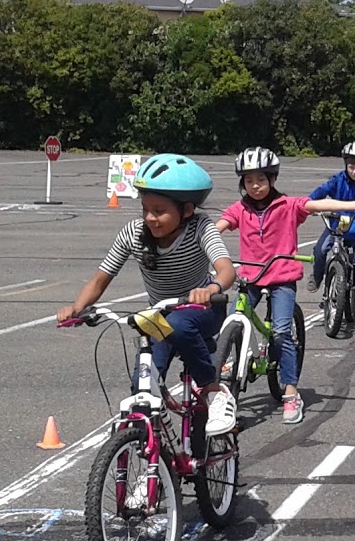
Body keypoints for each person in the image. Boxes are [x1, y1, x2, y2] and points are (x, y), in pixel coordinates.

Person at [56, 153, 239, 436]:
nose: (150, 218)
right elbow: (101, 278)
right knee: (143, 380)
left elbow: (226, 269)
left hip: (204, 309)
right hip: (159, 315)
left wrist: (212, 288)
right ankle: (152, 449)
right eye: (145, 209)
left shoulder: (201, 228)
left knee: (180, 326)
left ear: (187, 210)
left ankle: (214, 391)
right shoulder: (134, 233)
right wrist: (78, 308)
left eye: (159, 210)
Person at [216, 147, 355, 424]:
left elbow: (317, 205)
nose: (255, 186)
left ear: (272, 180)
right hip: (251, 277)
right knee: (232, 322)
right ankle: (224, 376)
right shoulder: (239, 209)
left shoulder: (287, 206)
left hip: (282, 277)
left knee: (280, 332)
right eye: (249, 180)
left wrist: (353, 205)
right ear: (242, 182)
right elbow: (218, 226)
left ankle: (291, 392)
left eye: (261, 180)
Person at [310, 141, 355, 328]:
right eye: (351, 167)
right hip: (336, 227)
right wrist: (308, 202)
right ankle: (318, 276)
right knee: (320, 250)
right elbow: (322, 191)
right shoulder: (338, 180)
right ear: (345, 165)